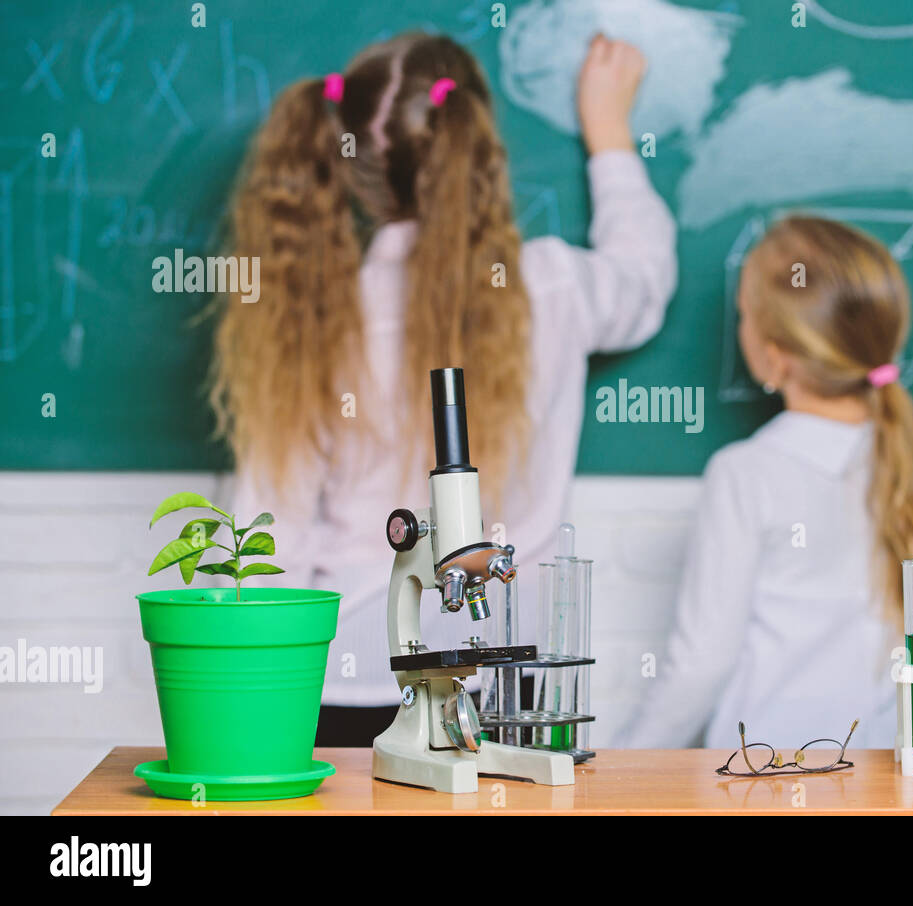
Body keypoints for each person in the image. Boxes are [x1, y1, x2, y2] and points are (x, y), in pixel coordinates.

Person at [209, 32, 676, 744]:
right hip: (506, 688)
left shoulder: (313, 314)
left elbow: (270, 536)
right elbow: (643, 278)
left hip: (342, 684)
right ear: (479, 141)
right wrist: (610, 132)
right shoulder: (549, 285)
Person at [618, 216, 913, 750]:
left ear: (775, 357)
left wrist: (616, 771)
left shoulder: (745, 473)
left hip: (763, 778)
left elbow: (700, 666)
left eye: (744, 317)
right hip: (883, 777)